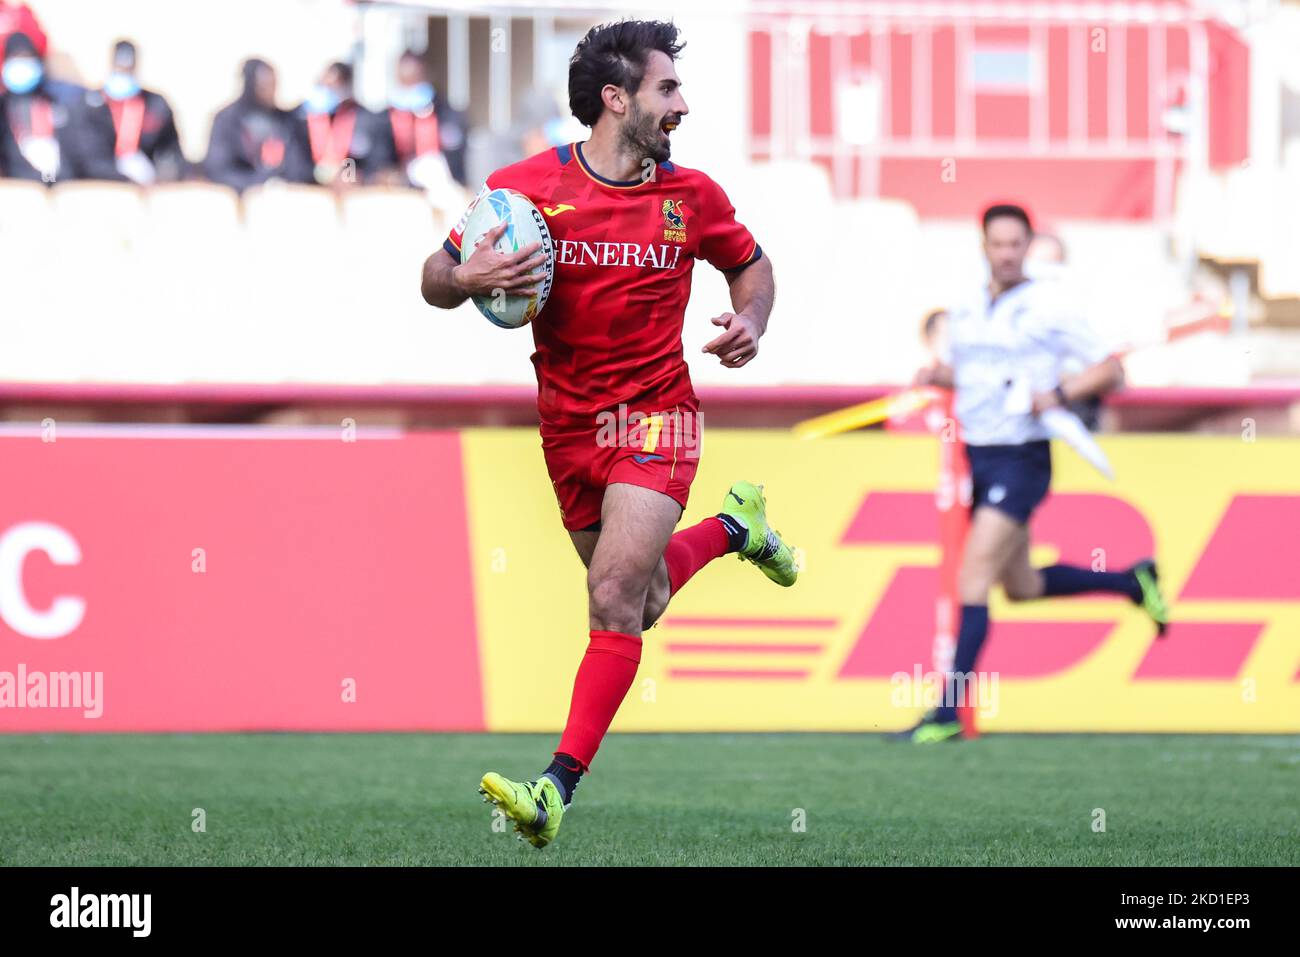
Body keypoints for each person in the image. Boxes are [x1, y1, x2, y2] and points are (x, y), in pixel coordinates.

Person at [420, 19, 797, 848]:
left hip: (658, 415)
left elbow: (752, 264)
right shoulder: (523, 192)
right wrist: (467, 274)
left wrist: (754, 319)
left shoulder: (691, 195)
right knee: (645, 596)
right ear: (616, 100)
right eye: (669, 90)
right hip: (568, 428)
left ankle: (553, 789)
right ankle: (740, 527)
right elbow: (434, 277)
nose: (683, 106)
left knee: (613, 598)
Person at [898, 203, 1170, 744]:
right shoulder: (968, 304)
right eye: (997, 244)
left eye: (1015, 244)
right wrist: (941, 374)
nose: (1006, 254)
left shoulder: (1049, 306)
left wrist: (1060, 393)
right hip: (981, 455)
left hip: (1022, 457)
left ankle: (947, 714)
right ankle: (1132, 582)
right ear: (984, 247)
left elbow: (1112, 368)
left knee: (972, 579)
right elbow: (979, 375)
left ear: (1027, 247)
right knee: (1019, 586)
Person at [0, 32, 122, 183]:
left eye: (27, 58)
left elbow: (84, 152)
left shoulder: (59, 99)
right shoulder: (4, 105)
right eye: (15, 59)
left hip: (62, 184)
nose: (21, 65)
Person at [286, 61, 394, 187]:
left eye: (334, 86)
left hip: (350, 190)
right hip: (311, 188)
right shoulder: (301, 117)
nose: (328, 91)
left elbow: (375, 162)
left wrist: (349, 175)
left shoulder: (364, 118)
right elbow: (294, 160)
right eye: (324, 86)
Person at [100, 39, 185, 184]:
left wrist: (163, 174)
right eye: (120, 68)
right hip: (105, 177)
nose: (124, 73)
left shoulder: (156, 103)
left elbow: (170, 149)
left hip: (147, 181)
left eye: (128, 69)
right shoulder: (93, 104)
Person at [203, 58, 292, 193]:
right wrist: (256, 184)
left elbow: (296, 164)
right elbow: (217, 169)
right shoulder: (227, 120)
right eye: (265, 86)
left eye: (273, 85)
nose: (271, 91)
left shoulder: (283, 120)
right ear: (252, 84)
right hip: (240, 196)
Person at [387, 49, 467, 188]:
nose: (410, 88)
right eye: (405, 83)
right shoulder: (385, 117)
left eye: (414, 81)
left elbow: (457, 158)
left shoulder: (447, 114)